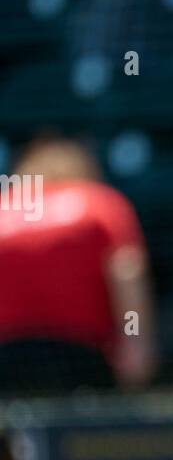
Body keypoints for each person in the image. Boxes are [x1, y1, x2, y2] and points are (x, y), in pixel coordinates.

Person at [0, 136, 156, 391]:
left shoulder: (3, 207)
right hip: (79, 357)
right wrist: (135, 342)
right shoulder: (100, 203)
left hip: (7, 359)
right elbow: (127, 273)